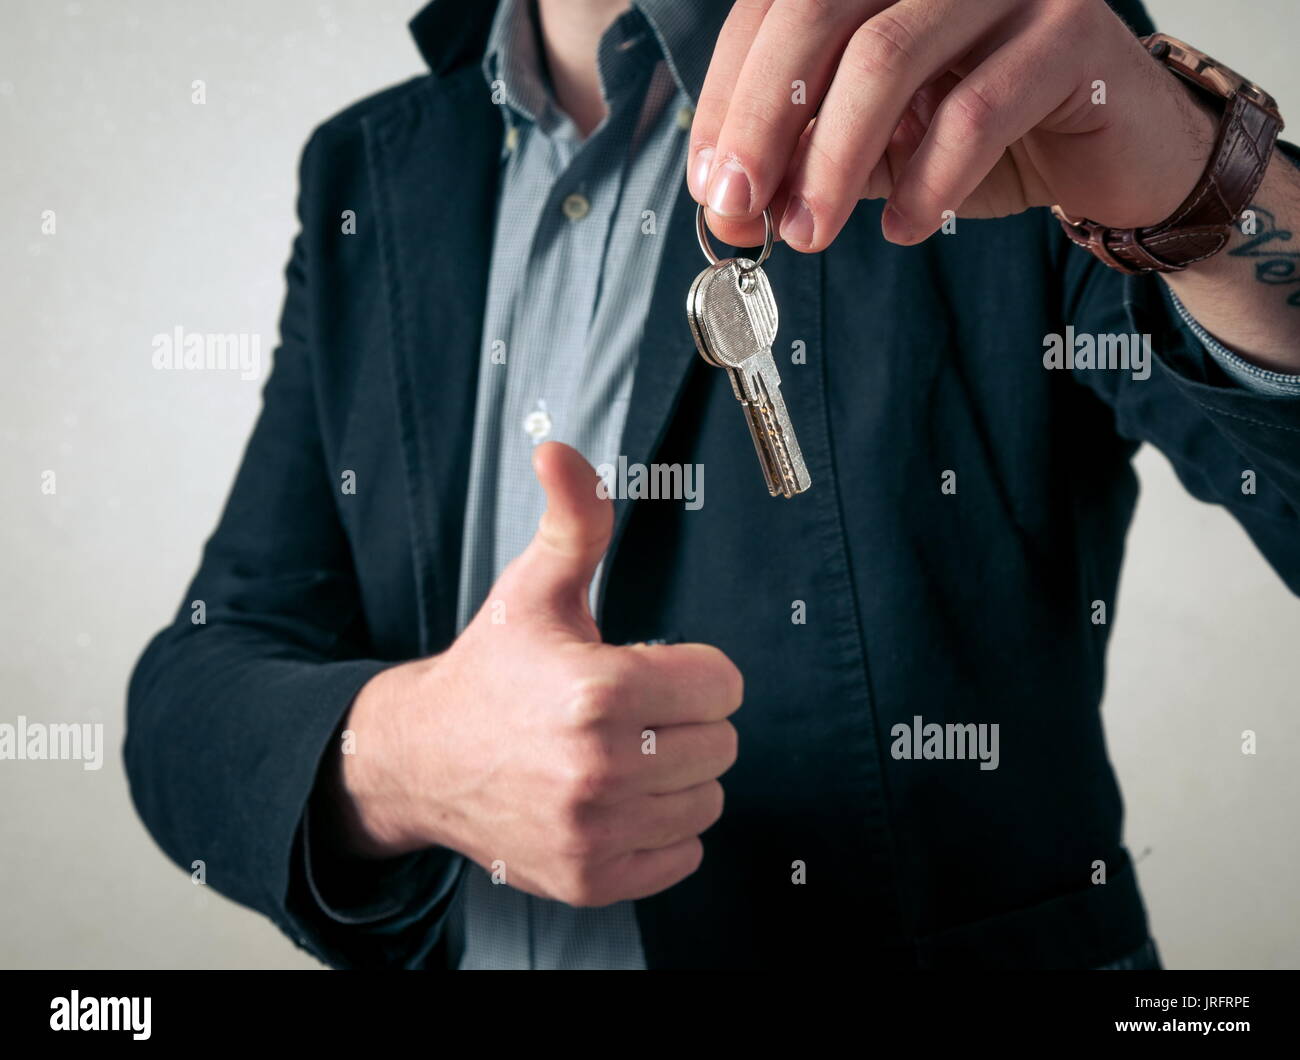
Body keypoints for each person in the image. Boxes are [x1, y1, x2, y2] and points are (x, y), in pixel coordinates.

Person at [125, 0, 1300, 969]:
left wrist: (1201, 182)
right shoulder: (369, 170)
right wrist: (405, 756)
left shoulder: (986, 58)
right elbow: (195, 688)